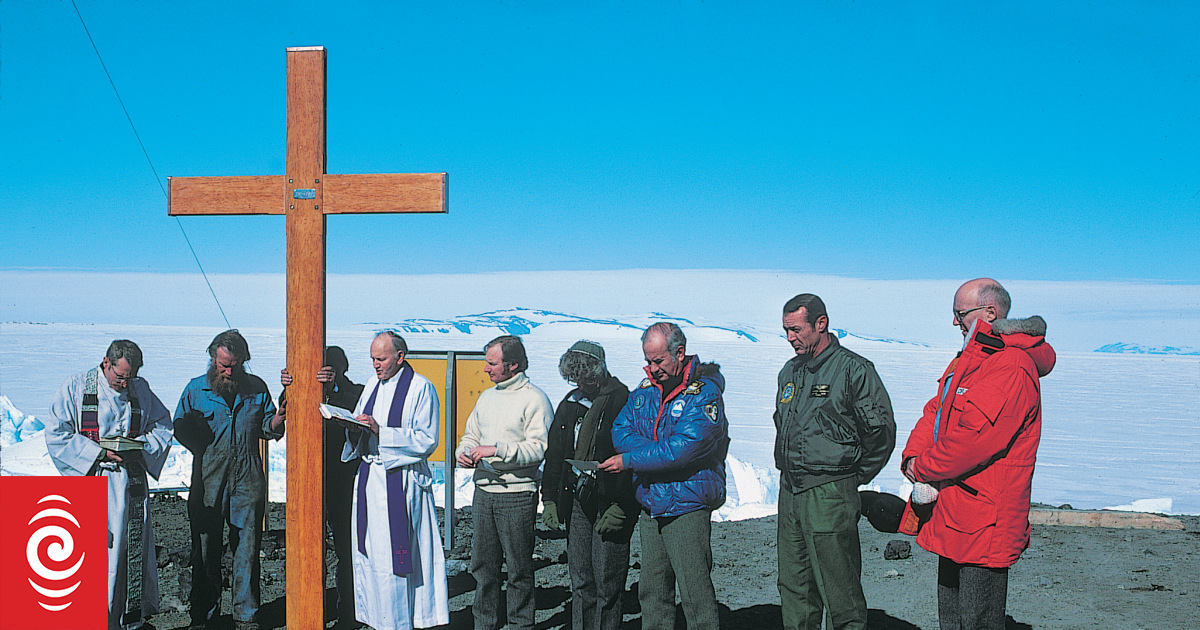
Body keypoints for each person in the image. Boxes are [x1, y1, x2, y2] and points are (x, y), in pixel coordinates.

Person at [901, 279, 1056, 630]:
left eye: (960, 314)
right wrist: (913, 457)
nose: (955, 322)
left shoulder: (1010, 366)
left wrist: (923, 467)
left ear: (990, 312)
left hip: (985, 518)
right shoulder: (972, 359)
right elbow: (936, 412)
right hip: (957, 511)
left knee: (978, 620)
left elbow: (975, 441)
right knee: (953, 617)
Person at [773, 294, 896, 630]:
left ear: (821, 324)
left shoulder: (853, 370)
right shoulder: (790, 371)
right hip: (792, 491)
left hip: (830, 493)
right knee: (795, 588)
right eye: (785, 331)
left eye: (796, 329)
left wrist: (851, 477)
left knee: (839, 591)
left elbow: (880, 432)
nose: (790, 338)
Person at [602, 322, 728, 630]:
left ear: (680, 353)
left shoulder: (704, 394)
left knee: (694, 591)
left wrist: (634, 459)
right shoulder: (645, 392)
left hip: (686, 502)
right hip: (652, 502)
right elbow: (621, 430)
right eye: (648, 361)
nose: (652, 368)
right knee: (652, 590)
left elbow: (685, 448)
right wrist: (655, 453)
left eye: (658, 361)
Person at [322, 331, 449, 630]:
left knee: (398, 556)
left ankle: (403, 619)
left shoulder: (421, 388)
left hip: (401, 482)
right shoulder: (372, 386)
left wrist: (381, 432)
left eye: (381, 359)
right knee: (372, 553)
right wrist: (353, 427)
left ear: (400, 357)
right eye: (372, 360)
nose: (375, 366)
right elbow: (363, 422)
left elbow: (426, 439)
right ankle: (378, 618)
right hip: (371, 479)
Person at [45, 339, 174, 630]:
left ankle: (127, 621)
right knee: (95, 556)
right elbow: (56, 432)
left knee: (127, 554)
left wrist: (139, 447)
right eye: (120, 377)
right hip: (94, 481)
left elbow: (163, 425)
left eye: (131, 378)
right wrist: (100, 452)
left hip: (131, 487)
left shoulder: (140, 389)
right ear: (106, 363)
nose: (125, 384)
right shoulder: (76, 387)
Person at [174, 330, 283, 630]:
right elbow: (178, 426)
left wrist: (279, 418)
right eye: (222, 363)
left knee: (247, 550)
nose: (227, 370)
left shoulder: (256, 389)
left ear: (244, 361)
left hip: (247, 479)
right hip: (208, 480)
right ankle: (204, 616)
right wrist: (194, 436)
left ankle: (246, 616)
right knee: (206, 549)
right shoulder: (196, 390)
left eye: (233, 364)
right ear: (212, 358)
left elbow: (268, 427)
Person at [455, 335, 553, 630]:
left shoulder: (535, 399)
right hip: (484, 493)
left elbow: (539, 447)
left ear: (513, 364)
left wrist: (498, 449)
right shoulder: (488, 397)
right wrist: (464, 453)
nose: (486, 369)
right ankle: (484, 624)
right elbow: (471, 435)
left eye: (492, 363)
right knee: (483, 567)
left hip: (516, 495)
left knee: (519, 568)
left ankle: (521, 625)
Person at [541, 340, 636, 630]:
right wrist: (551, 499)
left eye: (587, 377)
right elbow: (555, 455)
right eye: (576, 378)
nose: (583, 383)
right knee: (581, 577)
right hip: (577, 499)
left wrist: (623, 506)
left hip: (610, 501)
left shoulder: (623, 400)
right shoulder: (570, 404)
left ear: (600, 371)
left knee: (608, 580)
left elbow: (633, 458)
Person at [278, 346, 365, 628]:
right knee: (307, 544)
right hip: (307, 477)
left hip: (341, 480)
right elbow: (285, 410)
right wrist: (291, 385)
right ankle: (308, 607)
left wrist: (334, 388)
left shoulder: (354, 391)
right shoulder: (306, 389)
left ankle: (348, 611)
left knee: (345, 546)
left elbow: (355, 411)